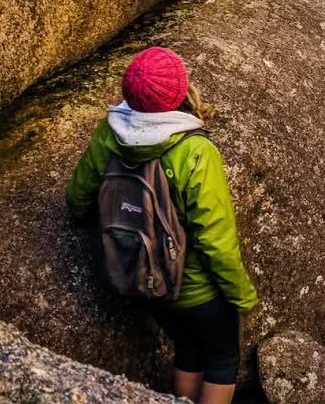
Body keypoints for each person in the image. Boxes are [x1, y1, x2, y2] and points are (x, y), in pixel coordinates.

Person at [66, 46, 258, 404]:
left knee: (187, 347)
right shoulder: (195, 150)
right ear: (180, 92)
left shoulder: (109, 134)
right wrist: (242, 296)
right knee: (222, 357)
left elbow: (78, 197)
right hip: (195, 288)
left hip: (139, 278)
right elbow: (216, 240)